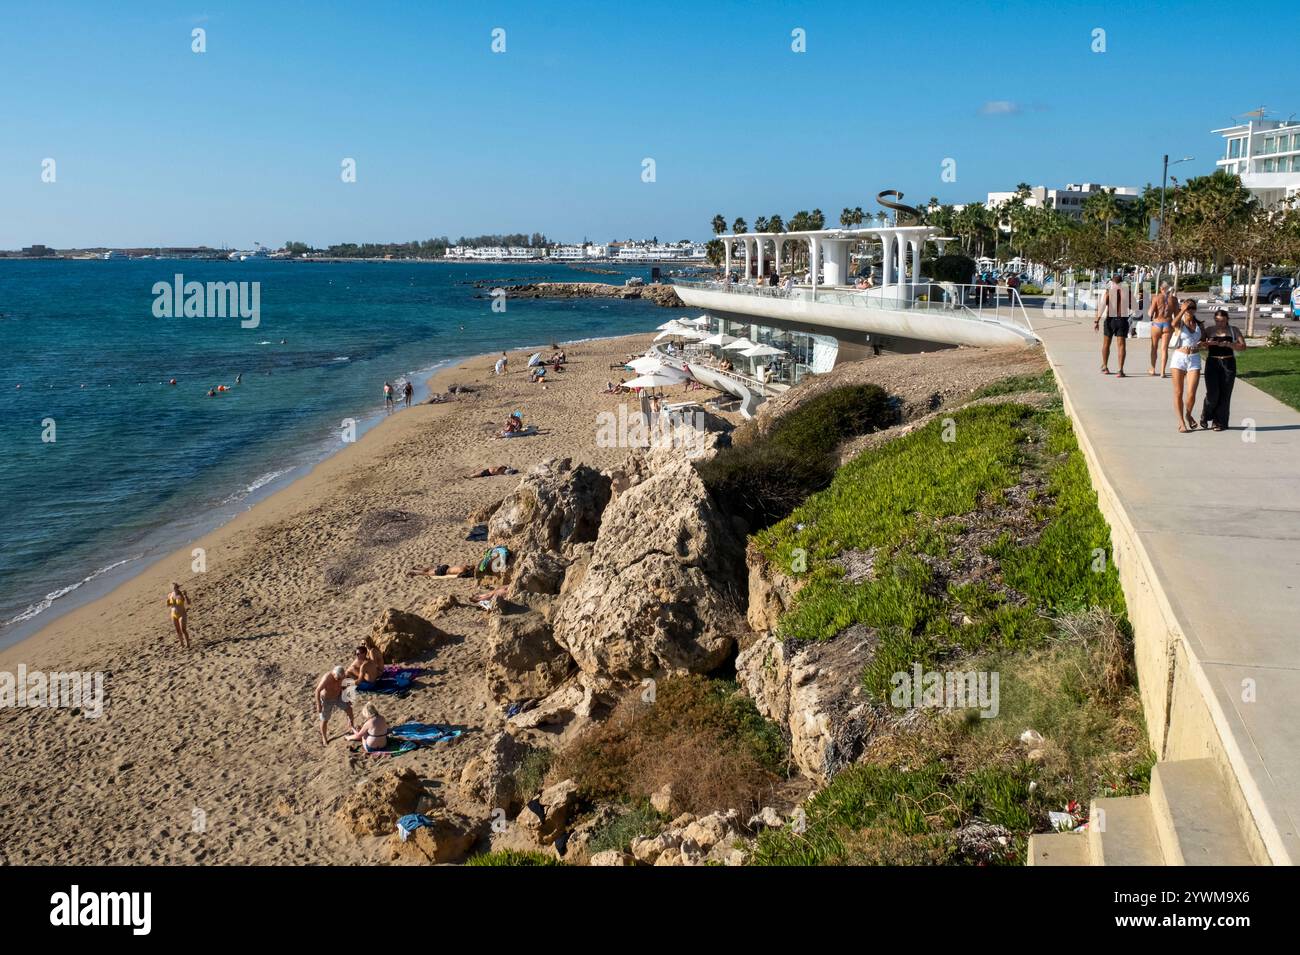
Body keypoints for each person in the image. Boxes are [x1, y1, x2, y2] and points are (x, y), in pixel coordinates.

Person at [1200, 308, 1245, 431]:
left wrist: (1229, 344)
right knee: (1213, 393)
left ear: (1227, 320)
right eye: (1217, 321)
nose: (1220, 323)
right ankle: (1206, 414)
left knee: (1225, 394)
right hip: (1212, 362)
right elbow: (1200, 344)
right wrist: (1208, 344)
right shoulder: (1209, 330)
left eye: (1223, 321)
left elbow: (1243, 347)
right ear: (1215, 320)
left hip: (1228, 362)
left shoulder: (1233, 330)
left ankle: (1219, 422)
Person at [1169, 300, 1204, 432]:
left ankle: (1188, 415)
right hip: (1179, 358)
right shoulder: (1180, 322)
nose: (1190, 309)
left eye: (1192, 307)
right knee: (1178, 392)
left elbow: (1202, 339)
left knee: (1191, 394)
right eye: (1188, 307)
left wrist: (1203, 343)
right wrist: (1182, 310)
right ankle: (1181, 422)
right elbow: (1173, 324)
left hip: (1194, 358)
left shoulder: (1199, 324)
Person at [1093, 274, 1131, 377]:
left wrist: (1097, 321)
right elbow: (1134, 306)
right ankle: (1120, 370)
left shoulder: (1109, 292)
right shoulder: (1127, 293)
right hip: (1122, 320)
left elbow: (1102, 307)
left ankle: (1105, 367)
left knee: (1106, 344)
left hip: (1110, 320)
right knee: (1121, 345)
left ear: (1113, 282)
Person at [315, 666, 356, 746]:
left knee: (349, 709)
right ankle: (324, 737)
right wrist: (318, 705)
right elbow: (317, 690)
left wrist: (347, 698)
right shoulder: (327, 678)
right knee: (324, 719)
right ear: (333, 674)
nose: (339, 680)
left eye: (341, 678)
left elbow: (346, 687)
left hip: (338, 696)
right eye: (337, 679)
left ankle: (351, 725)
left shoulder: (343, 677)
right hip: (326, 700)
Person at [1148, 281, 1177, 377]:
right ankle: (1162, 372)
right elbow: (1176, 316)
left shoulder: (1156, 298)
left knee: (1154, 348)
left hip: (1157, 323)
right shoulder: (1174, 299)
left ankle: (1152, 369)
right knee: (1164, 349)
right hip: (1168, 324)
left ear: (1161, 288)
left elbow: (1150, 313)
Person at [166, 583, 191, 649]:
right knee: (177, 630)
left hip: (182, 614)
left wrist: (186, 596)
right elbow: (168, 605)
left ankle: (188, 644)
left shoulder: (181, 594)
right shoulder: (170, 595)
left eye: (175, 587)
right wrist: (168, 602)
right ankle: (182, 644)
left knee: (183, 630)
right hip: (173, 614)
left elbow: (189, 603)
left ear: (177, 587)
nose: (174, 588)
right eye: (173, 587)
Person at [407, 563, 474, 578]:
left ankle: (416, 569)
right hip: (443, 571)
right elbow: (459, 575)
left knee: (429, 569)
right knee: (427, 573)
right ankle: (414, 572)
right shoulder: (463, 571)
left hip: (446, 566)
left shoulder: (464, 566)